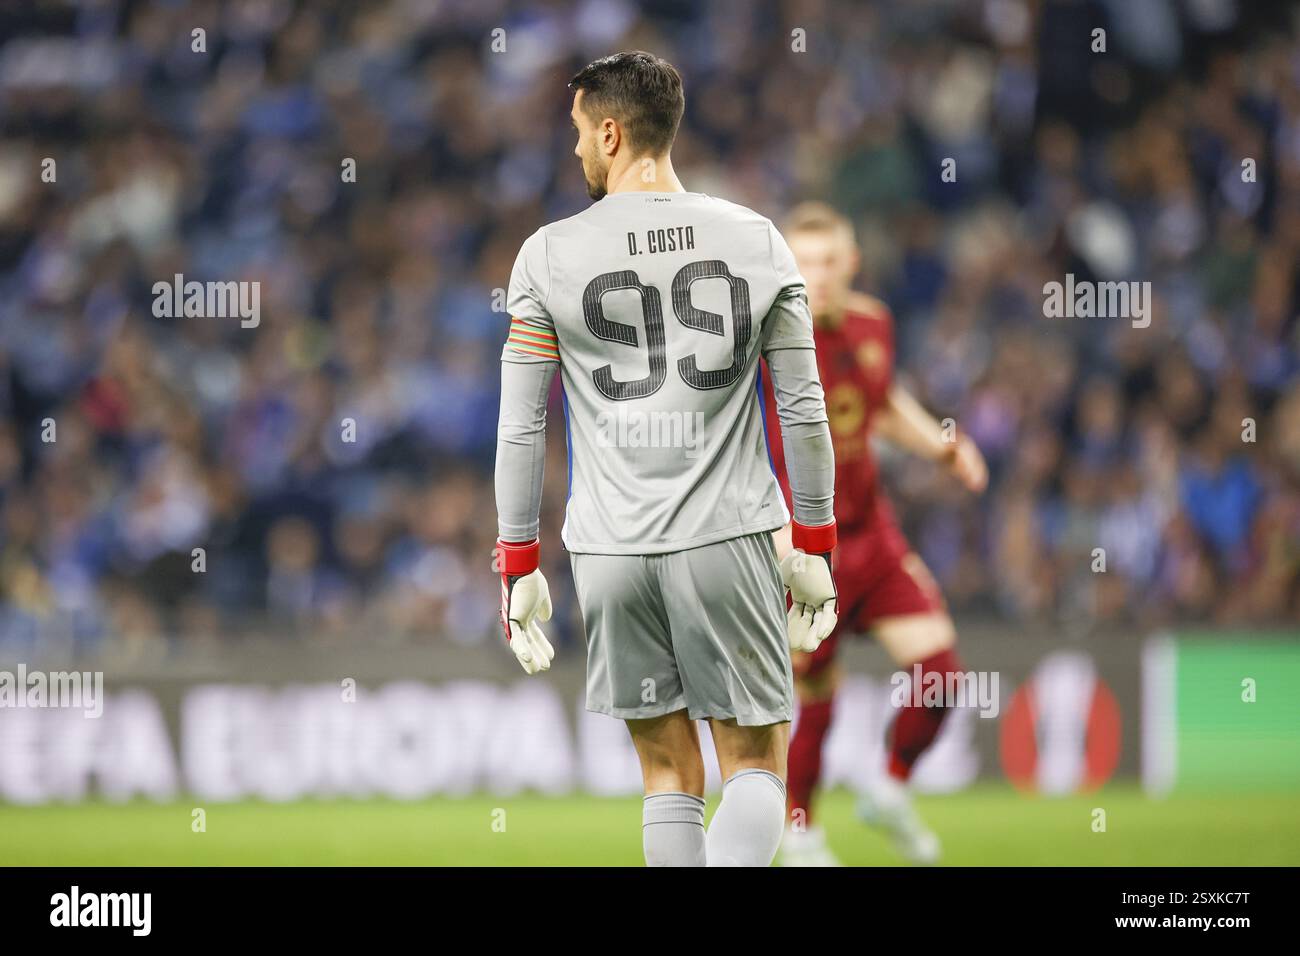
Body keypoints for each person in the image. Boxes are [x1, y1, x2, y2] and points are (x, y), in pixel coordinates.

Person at [492, 52, 838, 867]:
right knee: (754, 763)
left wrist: (517, 564)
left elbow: (519, 428)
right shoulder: (756, 240)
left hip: (608, 554)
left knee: (666, 771)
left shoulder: (546, 256)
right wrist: (816, 542)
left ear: (611, 132)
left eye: (578, 131)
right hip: (727, 539)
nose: (575, 148)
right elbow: (803, 410)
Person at [763, 202, 988, 866]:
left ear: (852, 262)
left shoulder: (873, 325)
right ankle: (800, 833)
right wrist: (775, 531)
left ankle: (890, 787)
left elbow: (883, 406)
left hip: (872, 537)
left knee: (942, 676)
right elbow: (735, 442)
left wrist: (944, 445)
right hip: (803, 547)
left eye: (830, 262)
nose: (818, 276)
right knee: (815, 699)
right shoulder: (761, 338)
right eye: (804, 263)